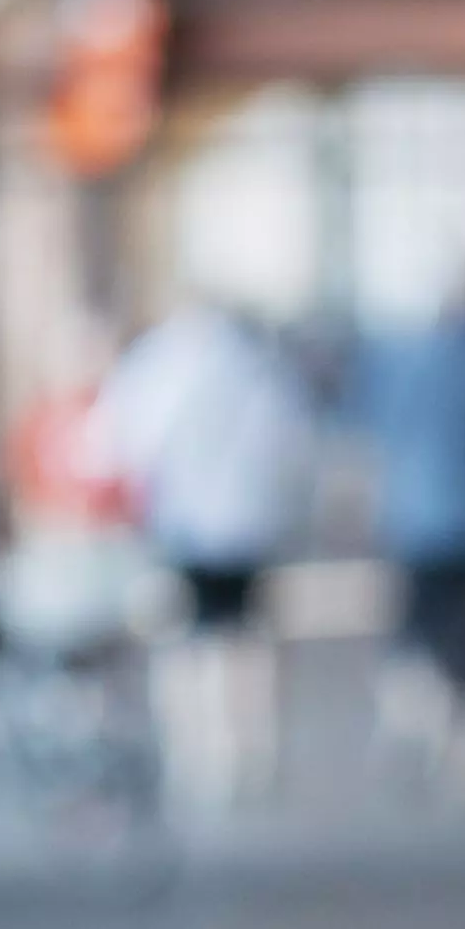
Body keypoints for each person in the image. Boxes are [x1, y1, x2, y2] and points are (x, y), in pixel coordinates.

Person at [89, 294, 316, 811]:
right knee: (243, 639)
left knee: (193, 643)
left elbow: (121, 442)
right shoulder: (256, 368)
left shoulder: (159, 367)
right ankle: (248, 743)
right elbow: (292, 443)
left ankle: (205, 748)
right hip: (243, 525)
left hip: (187, 526)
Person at [355, 278, 465, 783]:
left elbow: (375, 437)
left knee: (416, 633)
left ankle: (412, 725)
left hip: (413, 522)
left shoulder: (403, 363)